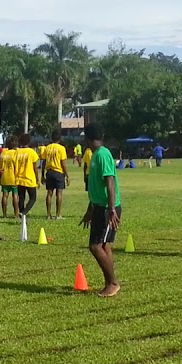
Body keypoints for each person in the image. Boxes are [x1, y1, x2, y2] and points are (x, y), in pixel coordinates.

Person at [81, 127, 121, 298]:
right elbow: (97, 186)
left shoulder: (103, 154)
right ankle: (109, 283)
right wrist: (90, 209)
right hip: (99, 207)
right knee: (104, 245)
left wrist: (111, 209)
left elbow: (110, 182)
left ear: (87, 139)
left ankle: (113, 283)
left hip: (107, 209)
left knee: (95, 246)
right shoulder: (95, 155)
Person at [41, 133, 70, 220]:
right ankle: (58, 215)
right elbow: (63, 163)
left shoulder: (47, 148)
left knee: (49, 193)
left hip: (49, 172)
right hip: (58, 172)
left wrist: (42, 174)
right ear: (59, 139)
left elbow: (44, 162)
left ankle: (48, 214)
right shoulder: (61, 148)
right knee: (59, 193)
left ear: (51, 138)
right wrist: (67, 175)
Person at [13, 133, 40, 218]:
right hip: (29, 178)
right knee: (33, 198)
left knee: (21, 198)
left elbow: (14, 165)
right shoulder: (31, 152)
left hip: (19, 178)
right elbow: (35, 168)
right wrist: (37, 179)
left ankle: (22, 215)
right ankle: (24, 213)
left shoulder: (17, 152)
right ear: (29, 141)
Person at [0, 135, 19, 219]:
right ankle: (16, 214)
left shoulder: (3, 153)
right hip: (13, 177)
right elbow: (17, 166)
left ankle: (4, 214)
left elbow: (0, 166)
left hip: (5, 177)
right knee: (15, 195)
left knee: (5, 196)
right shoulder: (16, 153)